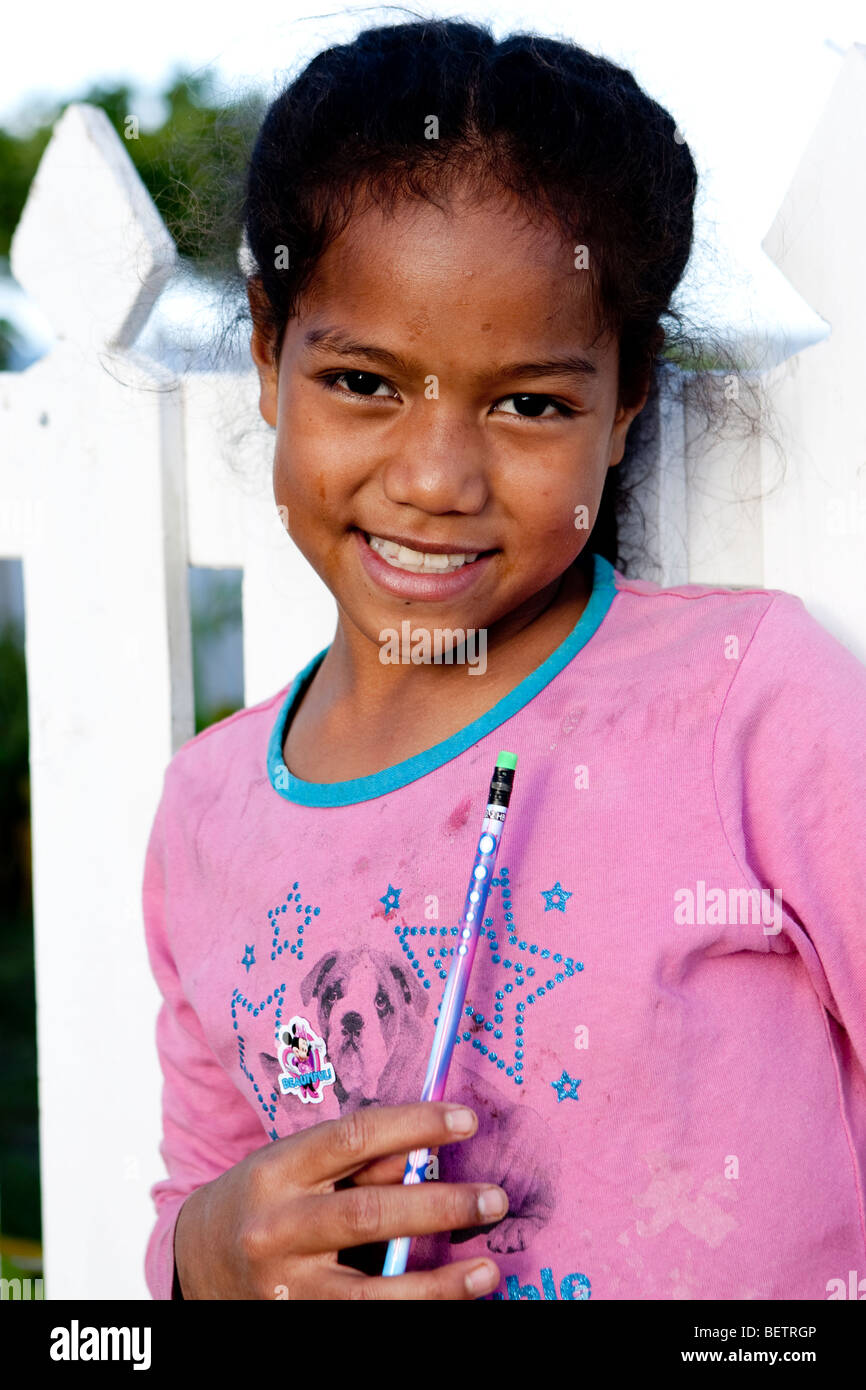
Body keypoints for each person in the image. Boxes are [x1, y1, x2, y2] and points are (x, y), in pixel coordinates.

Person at [142, 19, 866, 1301]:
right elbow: (201, 1202)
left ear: (628, 392)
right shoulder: (207, 813)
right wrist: (210, 1255)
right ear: (267, 352)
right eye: (365, 381)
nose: (434, 480)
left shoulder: (747, 708)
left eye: (528, 403)